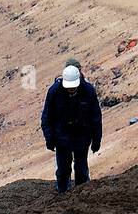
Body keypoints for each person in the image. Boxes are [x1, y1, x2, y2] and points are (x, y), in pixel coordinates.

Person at [41, 63, 102, 192]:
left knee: (81, 168)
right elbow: (47, 117)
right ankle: (62, 194)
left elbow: (95, 117)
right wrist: (50, 139)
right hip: (61, 138)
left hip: (82, 136)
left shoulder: (88, 91)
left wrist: (96, 140)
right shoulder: (54, 92)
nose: (71, 90)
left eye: (73, 87)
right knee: (63, 170)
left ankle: (82, 194)